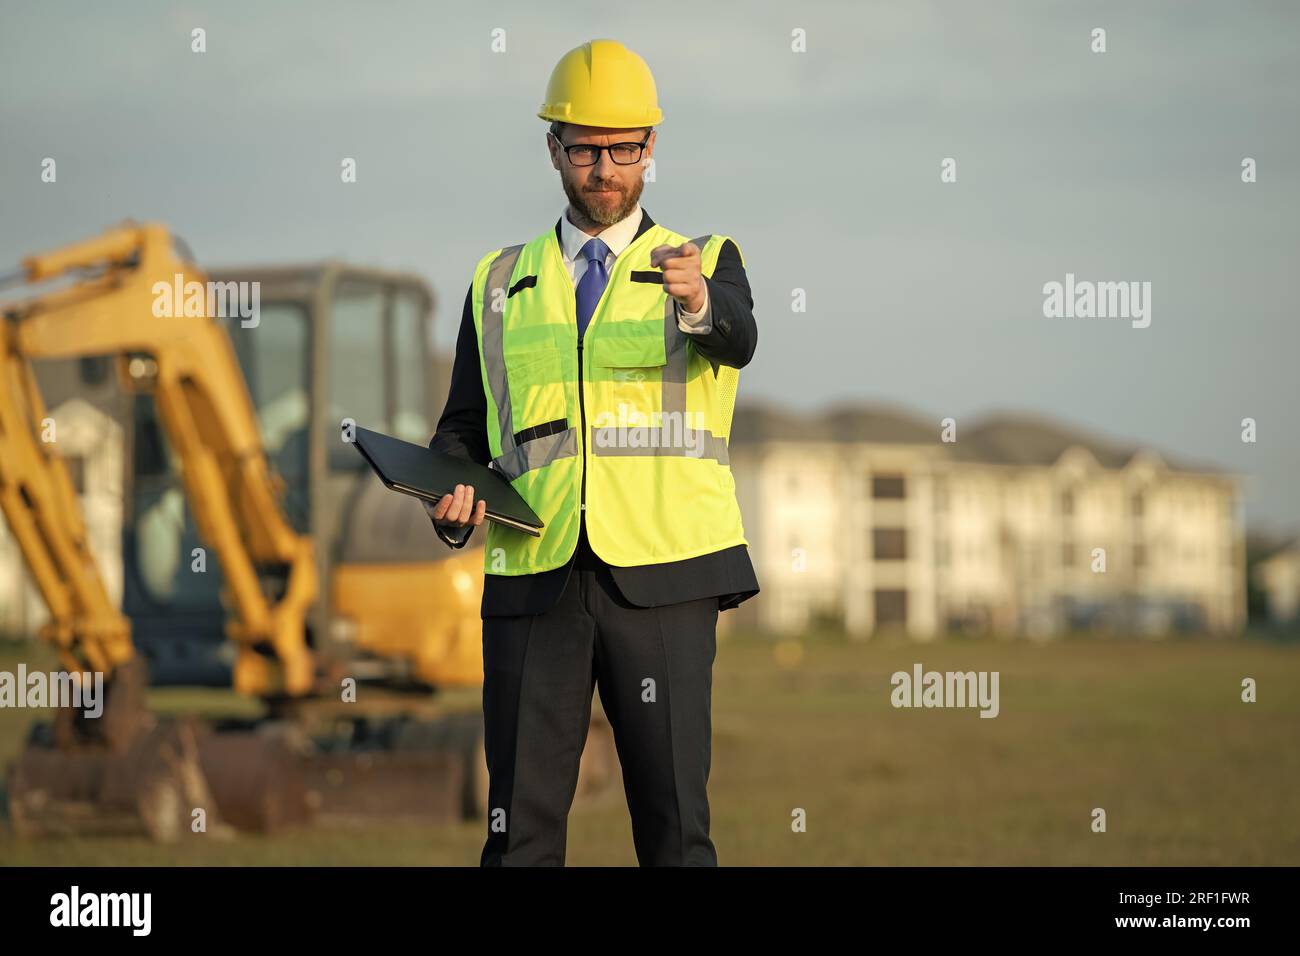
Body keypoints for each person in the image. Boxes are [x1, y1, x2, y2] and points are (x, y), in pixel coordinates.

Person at [424, 38, 759, 866]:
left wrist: (700, 304)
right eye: (584, 149)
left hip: (666, 578)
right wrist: (450, 499)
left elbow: (741, 337)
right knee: (518, 839)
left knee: (676, 835)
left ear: (651, 148)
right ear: (553, 150)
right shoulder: (498, 282)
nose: (604, 169)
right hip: (535, 584)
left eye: (624, 149)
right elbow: (463, 430)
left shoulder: (704, 262)